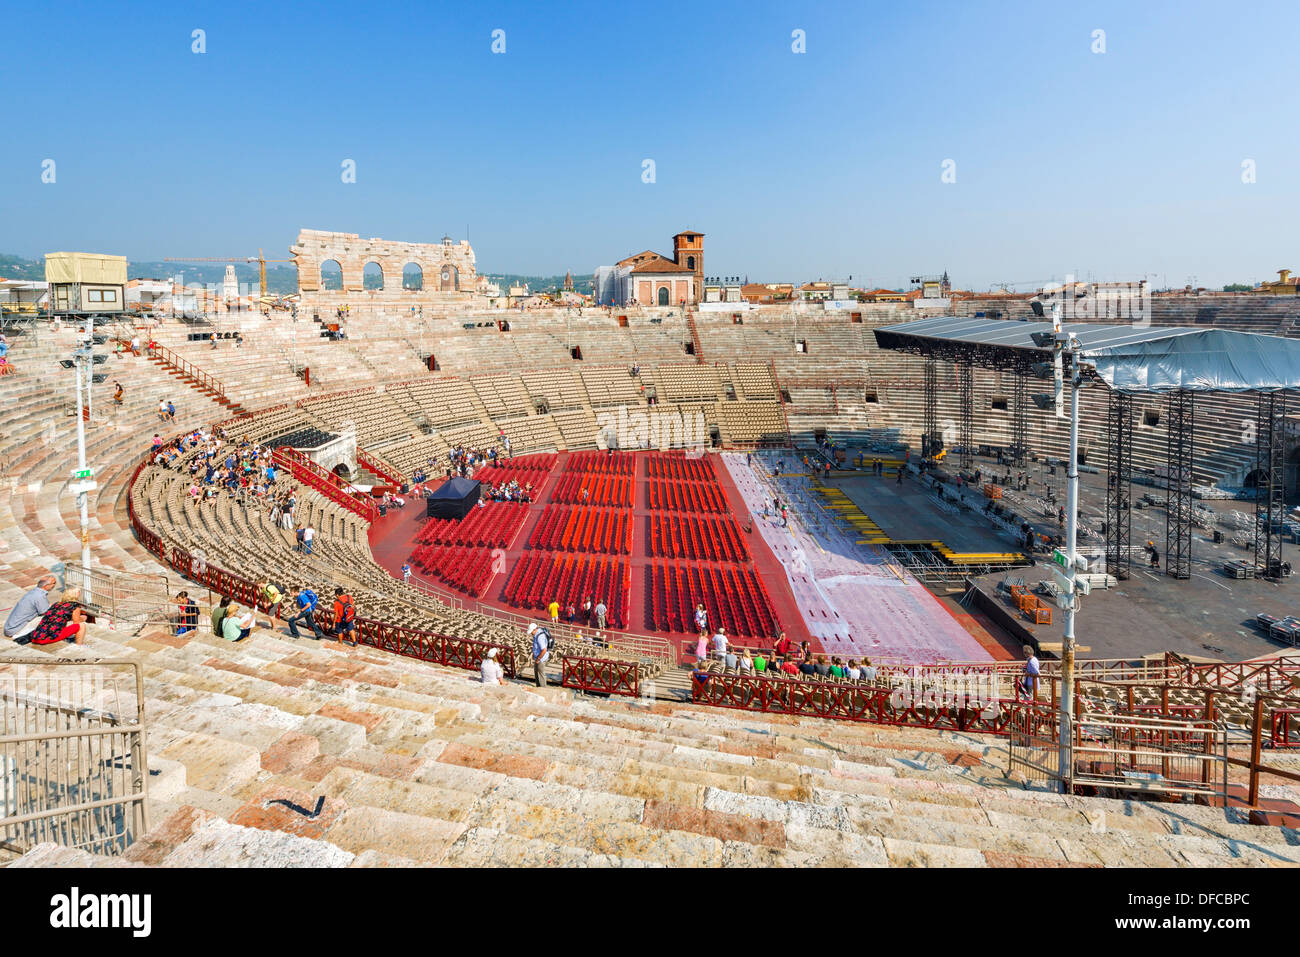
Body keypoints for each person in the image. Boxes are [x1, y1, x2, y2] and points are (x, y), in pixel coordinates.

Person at [4, 574, 57, 640]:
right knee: (53, 615)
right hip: (15, 629)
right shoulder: (39, 596)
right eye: (54, 583)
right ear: (46, 585)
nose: (54, 585)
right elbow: (44, 612)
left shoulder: (34, 592)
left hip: (9, 627)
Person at [528, 622, 551, 687]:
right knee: (537, 671)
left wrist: (538, 658)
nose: (531, 634)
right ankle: (538, 686)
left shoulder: (540, 637)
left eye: (531, 632)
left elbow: (544, 650)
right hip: (539, 657)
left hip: (541, 658)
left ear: (534, 630)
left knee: (541, 674)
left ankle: (543, 688)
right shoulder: (538, 632)